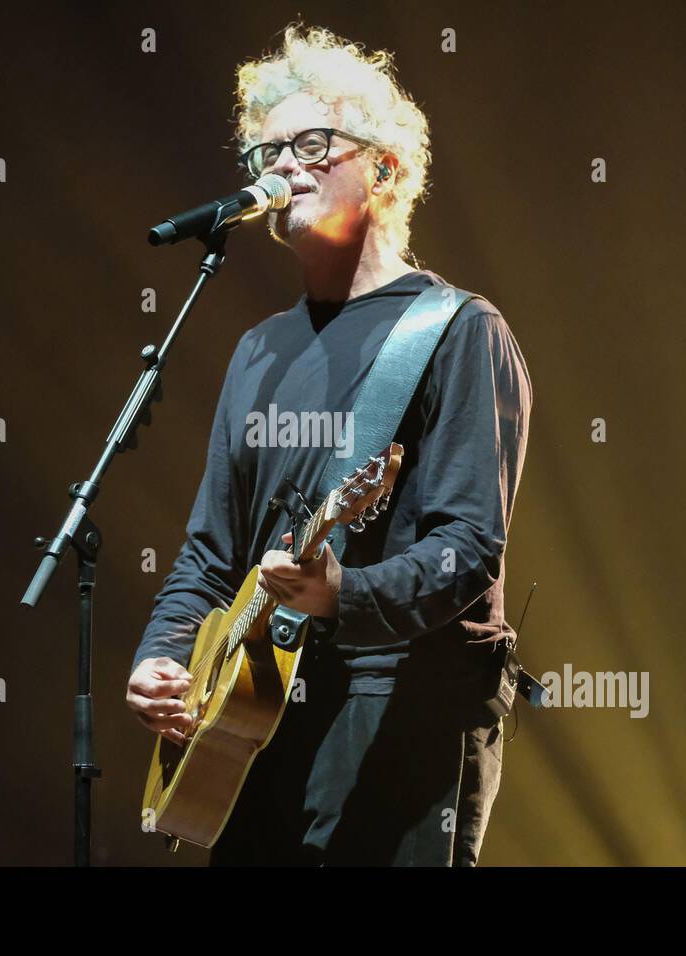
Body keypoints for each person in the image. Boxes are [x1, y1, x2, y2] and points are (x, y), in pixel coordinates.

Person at [126, 23, 533, 866]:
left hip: (398, 716)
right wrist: (165, 659)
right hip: (249, 718)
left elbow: (468, 548)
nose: (283, 165)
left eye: (313, 143)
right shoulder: (260, 349)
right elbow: (210, 552)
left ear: (383, 169)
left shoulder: (457, 331)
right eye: (267, 152)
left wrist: (342, 592)